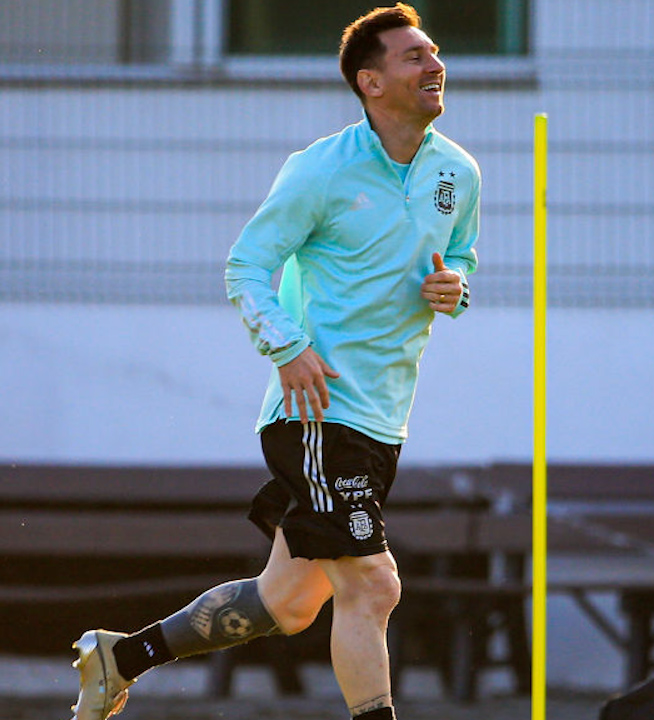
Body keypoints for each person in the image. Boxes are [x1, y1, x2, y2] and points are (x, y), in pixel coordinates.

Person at [68, 4, 479, 719]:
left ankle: (120, 656)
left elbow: (461, 260)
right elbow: (245, 266)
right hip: (318, 410)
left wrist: (455, 288)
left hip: (383, 418)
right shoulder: (321, 168)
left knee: (289, 604)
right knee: (374, 588)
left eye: (434, 52)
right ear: (371, 82)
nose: (434, 65)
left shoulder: (457, 173)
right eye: (414, 57)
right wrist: (287, 349)